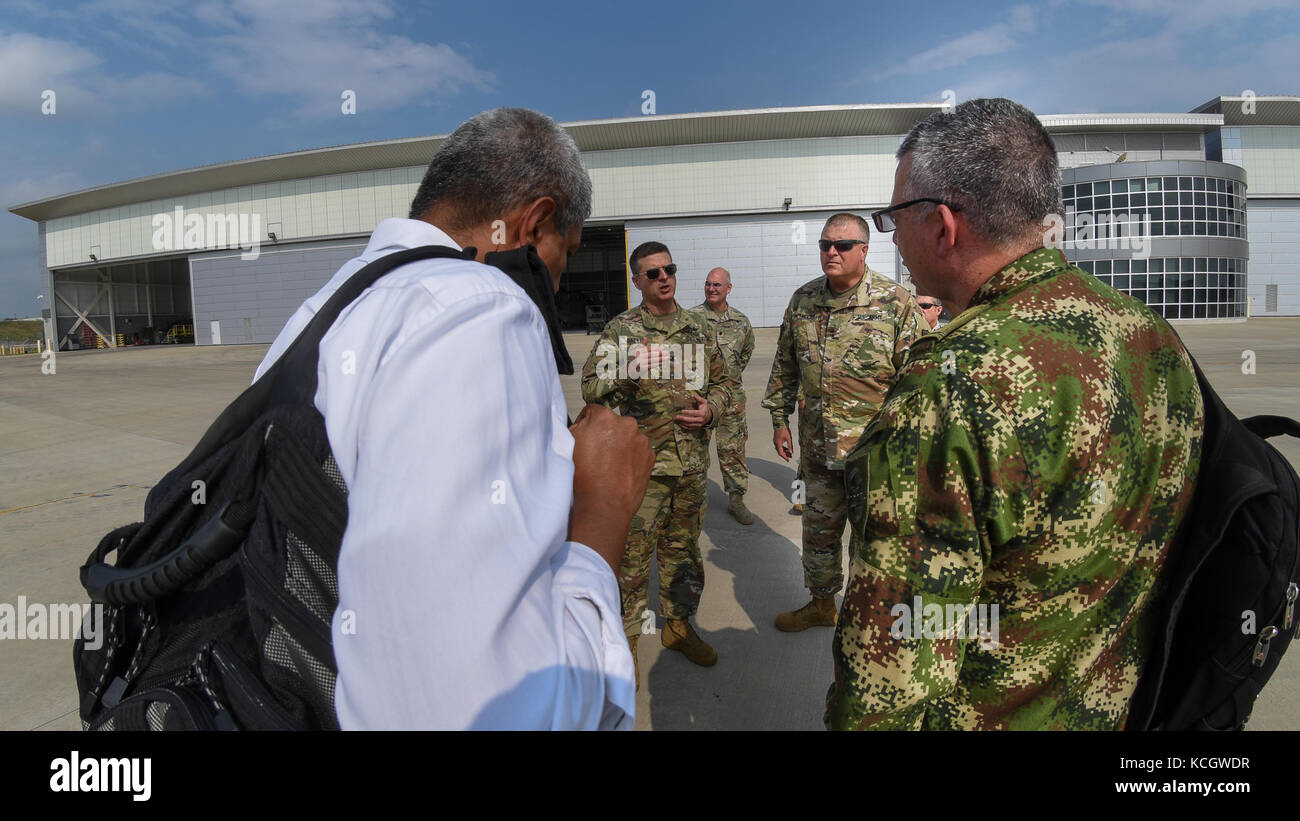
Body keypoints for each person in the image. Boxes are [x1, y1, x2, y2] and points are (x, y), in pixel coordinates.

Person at [255, 108, 654, 730]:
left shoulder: (324, 311)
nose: (561, 273)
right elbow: (489, 711)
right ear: (536, 223)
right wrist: (603, 508)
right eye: (566, 252)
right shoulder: (480, 307)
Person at [826, 97, 1204, 730]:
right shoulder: (1148, 334)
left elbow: (889, 675)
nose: (893, 236)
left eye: (893, 218)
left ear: (943, 226)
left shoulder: (950, 384)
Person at [762, 213, 927, 632]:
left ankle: (870, 616)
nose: (831, 252)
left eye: (842, 245)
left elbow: (920, 381)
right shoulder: (803, 301)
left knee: (875, 541)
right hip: (818, 451)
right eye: (824, 245)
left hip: (875, 455)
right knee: (818, 535)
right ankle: (821, 603)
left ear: (865, 250)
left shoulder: (896, 302)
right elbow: (785, 365)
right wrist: (780, 419)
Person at [581, 242, 733, 686]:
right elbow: (591, 387)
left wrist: (712, 410)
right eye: (652, 273)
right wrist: (627, 369)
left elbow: (726, 383)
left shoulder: (699, 328)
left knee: (683, 555)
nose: (663, 278)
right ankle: (623, 646)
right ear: (638, 281)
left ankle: (679, 627)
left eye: (669, 269)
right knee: (630, 563)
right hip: (640, 472)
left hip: (688, 469)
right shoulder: (622, 330)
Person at [692, 267, 757, 525]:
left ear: (728, 288)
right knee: (695, 451)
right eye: (708, 284)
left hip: (731, 397)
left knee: (733, 449)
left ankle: (736, 500)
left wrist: (728, 378)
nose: (711, 289)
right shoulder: (691, 319)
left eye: (717, 285)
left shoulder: (741, 322)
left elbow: (746, 353)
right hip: (700, 398)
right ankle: (694, 501)